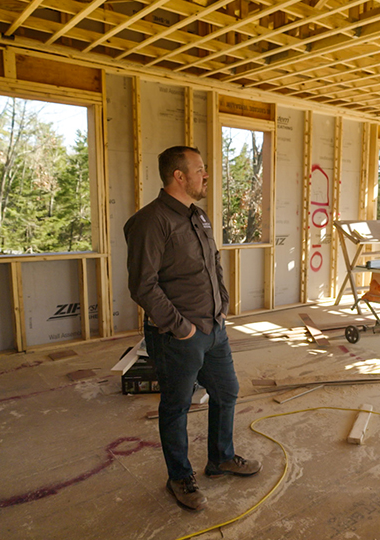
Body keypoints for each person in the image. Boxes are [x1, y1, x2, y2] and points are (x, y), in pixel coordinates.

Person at [124, 145, 261, 512]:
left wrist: (223, 303)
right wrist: (180, 327)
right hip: (178, 336)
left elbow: (213, 263)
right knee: (176, 406)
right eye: (200, 169)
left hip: (214, 327)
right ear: (179, 176)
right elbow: (143, 285)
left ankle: (220, 458)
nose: (206, 175)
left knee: (227, 391)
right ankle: (179, 476)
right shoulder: (151, 221)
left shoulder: (198, 216)